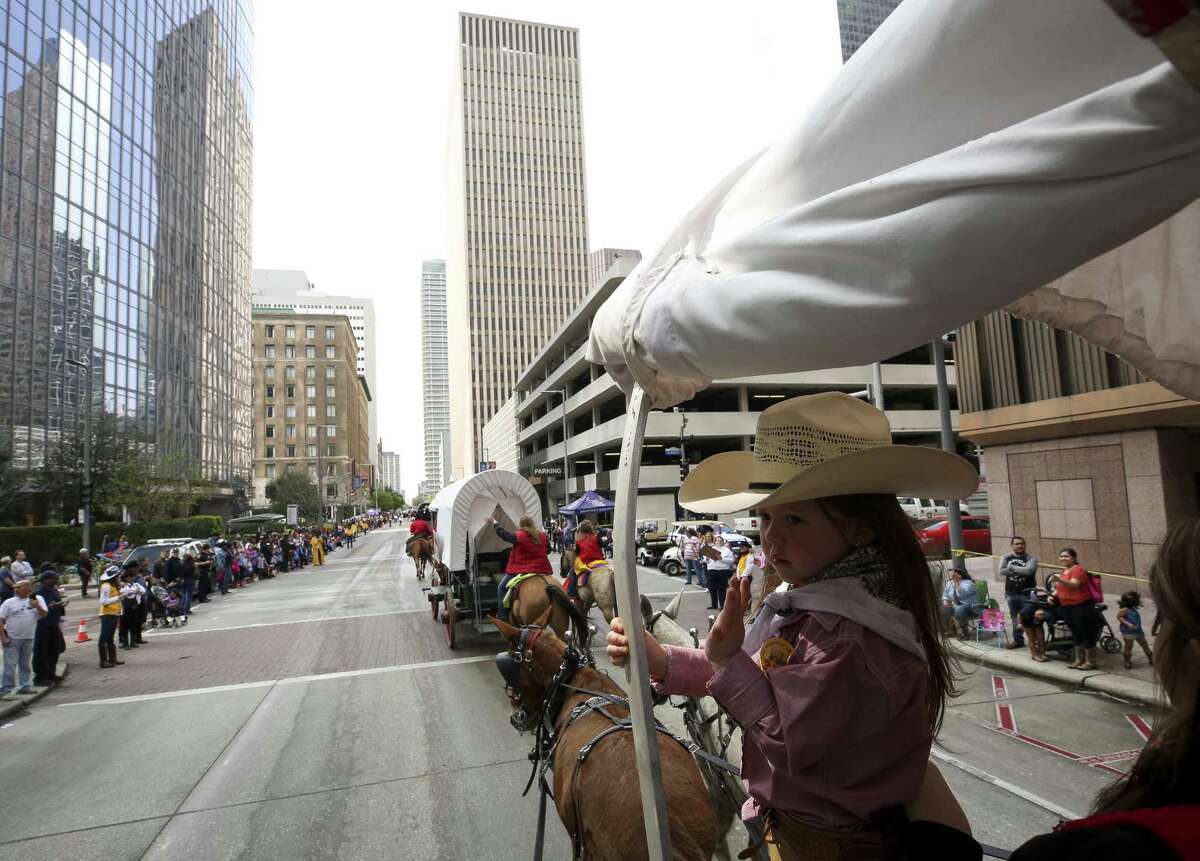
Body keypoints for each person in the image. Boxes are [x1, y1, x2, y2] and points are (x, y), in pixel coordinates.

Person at [605, 392, 977, 856]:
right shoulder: (819, 603)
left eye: (795, 519)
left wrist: (723, 659)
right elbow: (751, 676)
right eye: (764, 516)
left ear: (860, 528)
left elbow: (785, 743)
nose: (772, 536)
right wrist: (665, 660)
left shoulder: (846, 635)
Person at [487, 514, 552, 622]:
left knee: (501, 588)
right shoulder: (543, 536)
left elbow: (503, 534)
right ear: (532, 524)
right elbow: (548, 550)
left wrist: (494, 522)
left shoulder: (518, 536)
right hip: (541, 570)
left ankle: (503, 615)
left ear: (521, 525)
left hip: (520, 570)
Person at [1055, 548, 1101, 670]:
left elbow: (1075, 585)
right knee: (1076, 633)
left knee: (1086, 632)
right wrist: (1052, 595)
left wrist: (1059, 580)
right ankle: (1079, 660)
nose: (1063, 558)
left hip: (1081, 606)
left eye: (1066, 556)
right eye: (1061, 556)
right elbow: (1060, 587)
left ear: (1074, 558)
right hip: (1067, 606)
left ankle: (1091, 662)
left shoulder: (1078, 570)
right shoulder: (1064, 571)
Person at [0, 579, 47, 696]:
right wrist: (3, 637)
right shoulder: (9, 602)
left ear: (28, 588)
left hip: (29, 636)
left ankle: (24, 686)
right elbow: (1, 619)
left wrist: (37, 607)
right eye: (15, 587)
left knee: (25, 664)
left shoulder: (37, 599)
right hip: (12, 638)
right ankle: (6, 689)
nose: (16, 589)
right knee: (10, 665)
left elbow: (44, 615)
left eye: (19, 587)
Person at [999, 536, 1039, 651]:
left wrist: (1011, 567)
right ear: (1012, 545)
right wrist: (1020, 570)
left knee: (1029, 618)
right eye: (1016, 544)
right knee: (1014, 618)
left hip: (1027, 594)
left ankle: (1035, 642)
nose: (1019, 546)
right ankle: (1018, 640)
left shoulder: (1031, 558)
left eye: (1021, 543)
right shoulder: (1007, 557)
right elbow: (1002, 571)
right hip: (1011, 593)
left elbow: (1028, 571)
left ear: (1025, 545)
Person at [32, 568, 67, 686]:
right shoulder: (39, 592)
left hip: (54, 623)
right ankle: (40, 677)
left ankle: (51, 673)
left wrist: (61, 604)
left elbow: (56, 602)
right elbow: (44, 606)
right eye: (53, 578)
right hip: (43, 625)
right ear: (46, 580)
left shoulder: (53, 590)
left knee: (55, 649)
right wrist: (56, 605)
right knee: (42, 651)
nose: (56, 580)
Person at [1117, 591, 1153, 671]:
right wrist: (1128, 624)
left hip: (1138, 631)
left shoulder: (1132, 608)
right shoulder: (1124, 609)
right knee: (1129, 646)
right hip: (1128, 632)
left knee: (1145, 645)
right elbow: (1119, 617)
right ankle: (1127, 661)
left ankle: (1151, 658)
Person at [97, 566, 124, 668]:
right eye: (117, 575)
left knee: (110, 638)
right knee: (103, 639)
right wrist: (118, 598)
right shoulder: (106, 586)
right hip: (107, 614)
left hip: (113, 614)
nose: (119, 576)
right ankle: (103, 661)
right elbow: (103, 601)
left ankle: (112, 659)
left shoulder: (113, 585)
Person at [941, 568, 979, 638]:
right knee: (943, 608)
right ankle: (950, 630)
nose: (951, 574)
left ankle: (964, 632)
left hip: (970, 606)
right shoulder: (949, 583)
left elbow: (962, 593)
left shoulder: (969, 583)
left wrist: (957, 582)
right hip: (955, 605)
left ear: (960, 575)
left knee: (959, 609)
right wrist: (945, 602)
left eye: (954, 573)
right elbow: (945, 595)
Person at [706, 535, 737, 610]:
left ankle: (722, 605)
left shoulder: (727, 550)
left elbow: (731, 561)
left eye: (720, 540)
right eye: (717, 540)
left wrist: (721, 558)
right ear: (714, 541)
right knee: (712, 588)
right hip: (711, 570)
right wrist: (706, 559)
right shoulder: (711, 549)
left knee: (721, 589)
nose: (719, 541)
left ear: (723, 542)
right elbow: (706, 561)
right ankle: (714, 604)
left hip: (722, 571)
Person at [118, 570, 144, 650]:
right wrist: (135, 590)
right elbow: (122, 591)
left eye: (132, 577)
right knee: (125, 625)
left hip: (134, 605)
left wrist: (136, 590)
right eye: (130, 577)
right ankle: (125, 643)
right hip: (125, 607)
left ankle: (132, 642)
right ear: (126, 578)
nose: (132, 578)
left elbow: (143, 590)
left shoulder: (135, 584)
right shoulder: (122, 585)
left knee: (133, 624)